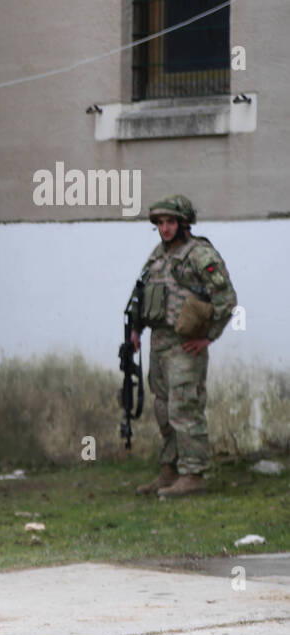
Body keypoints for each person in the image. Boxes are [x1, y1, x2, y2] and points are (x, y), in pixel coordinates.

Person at [131, 195, 237, 498]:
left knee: (185, 408)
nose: (165, 229)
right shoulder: (158, 255)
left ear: (183, 223)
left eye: (170, 222)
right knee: (163, 409)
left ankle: (193, 474)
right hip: (159, 343)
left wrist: (209, 336)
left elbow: (226, 299)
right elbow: (142, 294)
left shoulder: (200, 254)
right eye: (160, 223)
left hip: (185, 345)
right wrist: (136, 329)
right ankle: (170, 469)